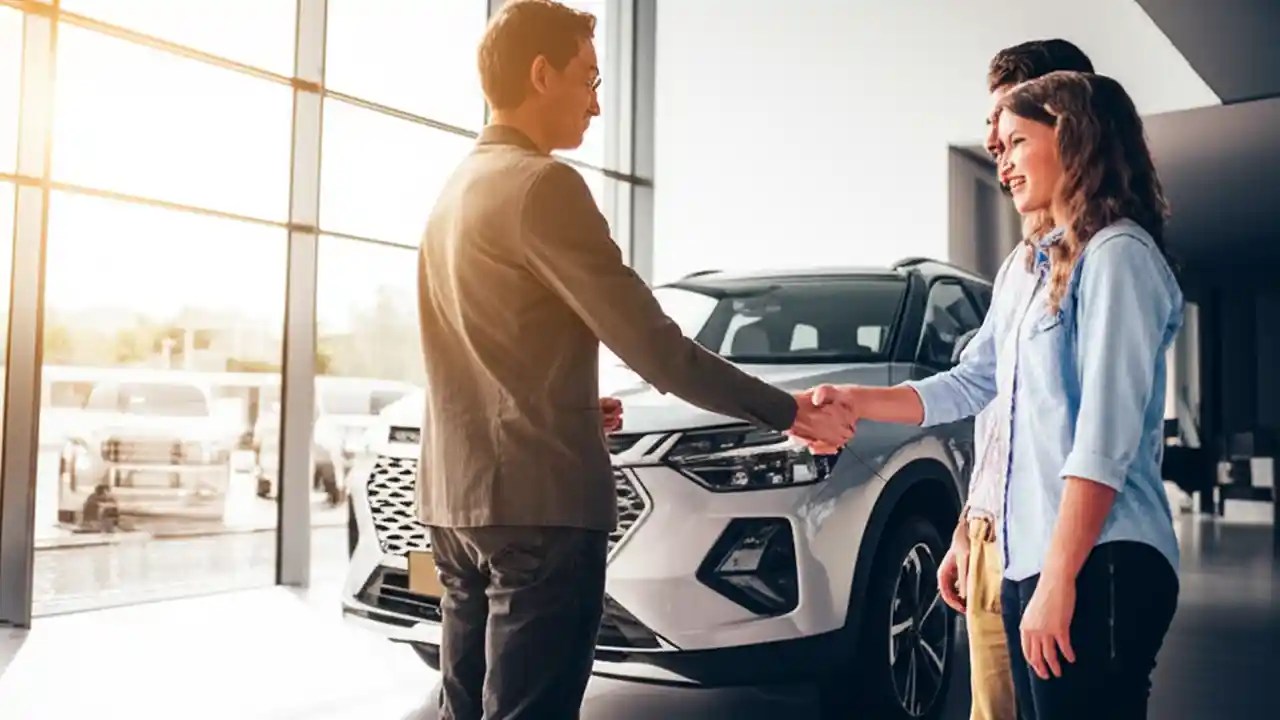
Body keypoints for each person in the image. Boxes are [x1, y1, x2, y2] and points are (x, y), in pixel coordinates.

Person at [416, 2, 851, 719]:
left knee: (467, 708)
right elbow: (655, 349)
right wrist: (788, 411)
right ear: (539, 73)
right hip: (539, 510)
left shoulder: (453, 191)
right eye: (587, 79)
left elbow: (476, 346)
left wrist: (569, 405)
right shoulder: (542, 186)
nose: (595, 102)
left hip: (456, 505)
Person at [804, 70, 1182, 719]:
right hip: (1029, 558)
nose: (1001, 163)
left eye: (1013, 142)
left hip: (1102, 558)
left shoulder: (1120, 256)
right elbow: (971, 384)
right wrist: (853, 399)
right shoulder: (1028, 267)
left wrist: (1060, 577)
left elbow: (1104, 439)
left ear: (1071, 135)